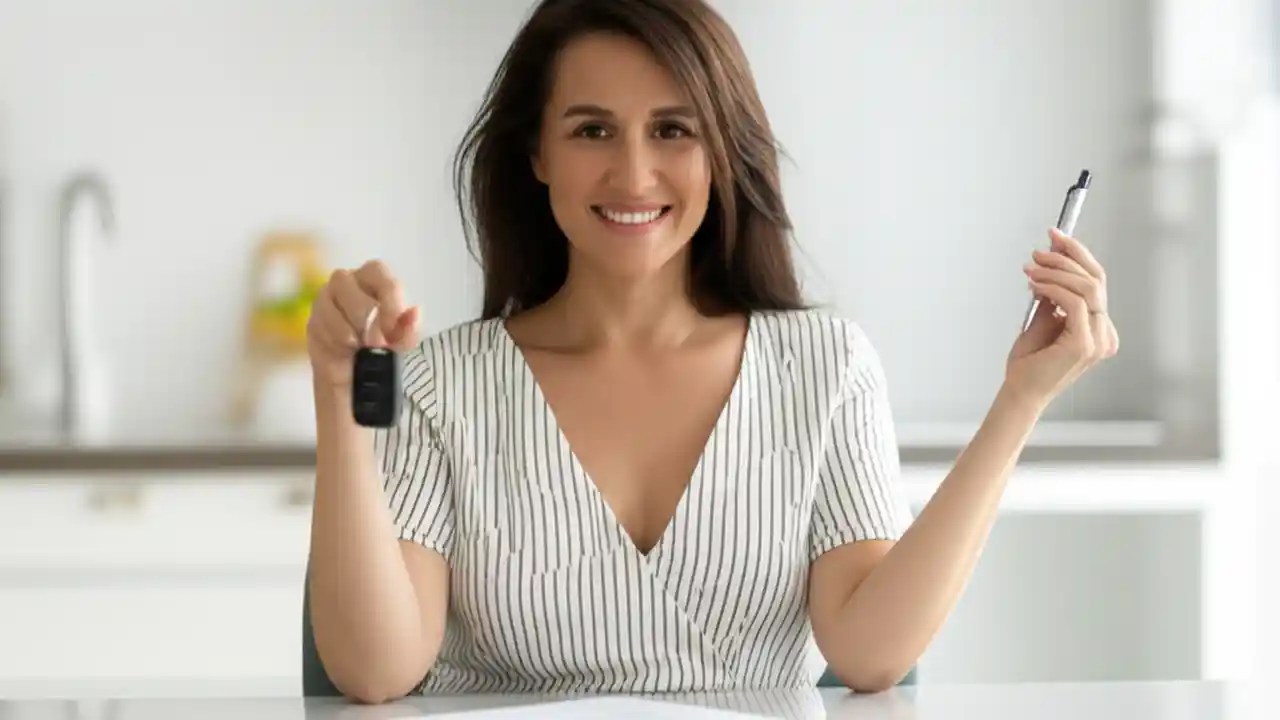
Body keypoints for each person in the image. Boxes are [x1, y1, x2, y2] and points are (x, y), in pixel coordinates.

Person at [304, 0, 1119, 704]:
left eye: (673, 130)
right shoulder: (446, 385)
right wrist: (340, 398)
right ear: (538, 155)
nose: (633, 172)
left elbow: (871, 654)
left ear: (721, 150)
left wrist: (1021, 401)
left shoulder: (823, 369)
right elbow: (376, 672)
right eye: (593, 129)